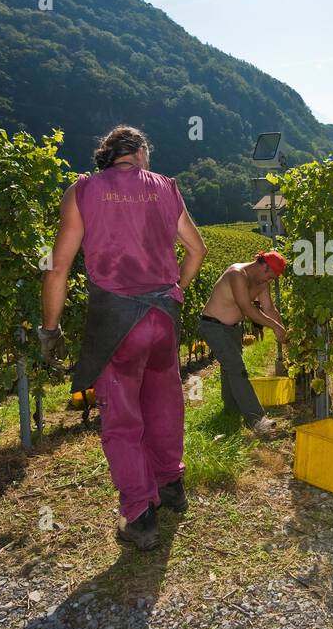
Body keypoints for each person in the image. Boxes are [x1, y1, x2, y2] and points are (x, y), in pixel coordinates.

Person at [39, 125, 207, 551]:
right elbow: (197, 250)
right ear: (142, 154)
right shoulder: (166, 188)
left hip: (117, 321)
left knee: (122, 418)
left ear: (108, 156)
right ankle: (171, 486)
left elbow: (57, 268)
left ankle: (139, 515)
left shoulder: (83, 191)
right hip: (163, 317)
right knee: (164, 402)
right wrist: (177, 289)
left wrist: (50, 328)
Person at [197, 251, 287, 436]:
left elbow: (269, 309)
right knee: (237, 368)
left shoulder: (262, 283)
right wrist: (275, 326)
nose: (270, 280)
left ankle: (231, 409)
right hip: (213, 326)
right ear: (263, 265)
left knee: (229, 368)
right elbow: (246, 308)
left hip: (232, 329)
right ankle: (257, 420)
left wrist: (282, 330)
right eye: (270, 276)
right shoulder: (237, 275)